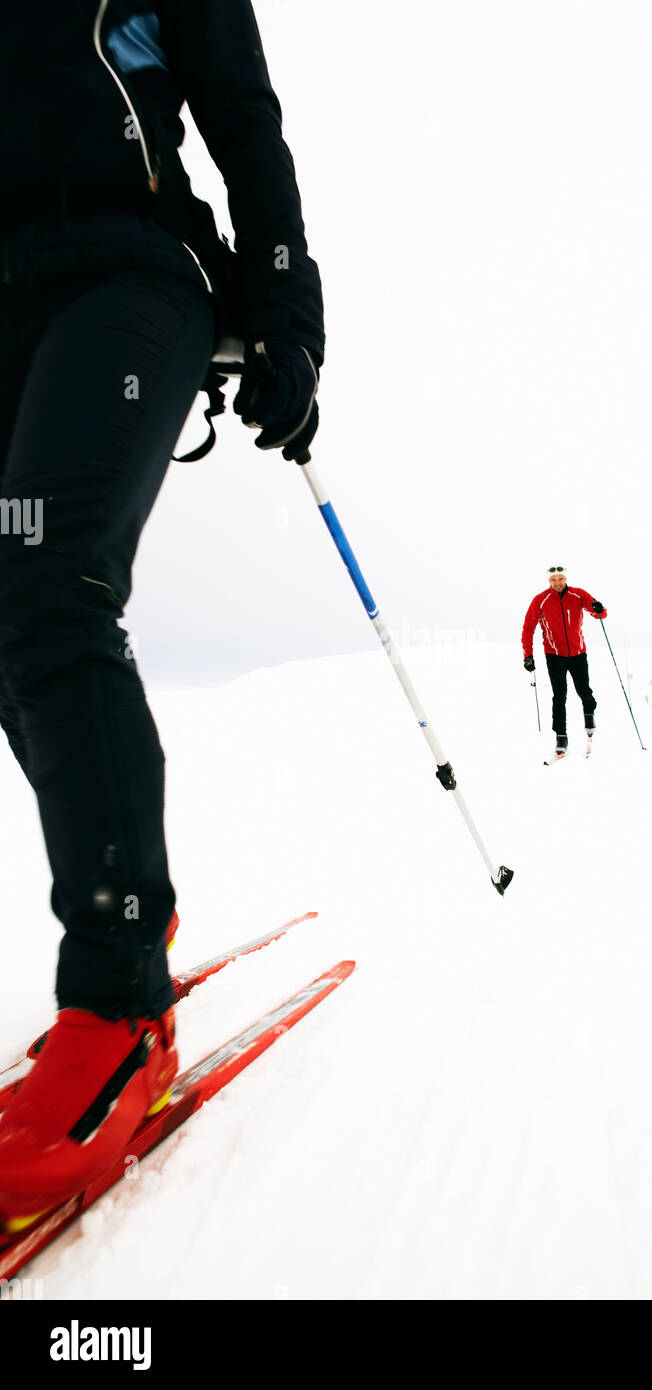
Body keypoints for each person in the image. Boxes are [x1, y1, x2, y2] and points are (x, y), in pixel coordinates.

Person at [0, 1, 324, 1227]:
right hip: (6, 301)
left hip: (129, 282)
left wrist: (287, 309)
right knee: (6, 617)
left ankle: (122, 994)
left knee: (48, 585)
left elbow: (245, 118)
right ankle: (128, 884)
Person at [521, 566, 607, 758]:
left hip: (578, 653)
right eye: (553, 580)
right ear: (549, 581)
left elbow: (600, 613)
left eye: (560, 579)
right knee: (559, 696)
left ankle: (589, 717)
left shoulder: (578, 595)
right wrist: (528, 655)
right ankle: (561, 736)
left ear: (565, 578)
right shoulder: (540, 600)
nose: (557, 583)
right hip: (554, 655)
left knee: (585, 692)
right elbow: (528, 628)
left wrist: (598, 608)